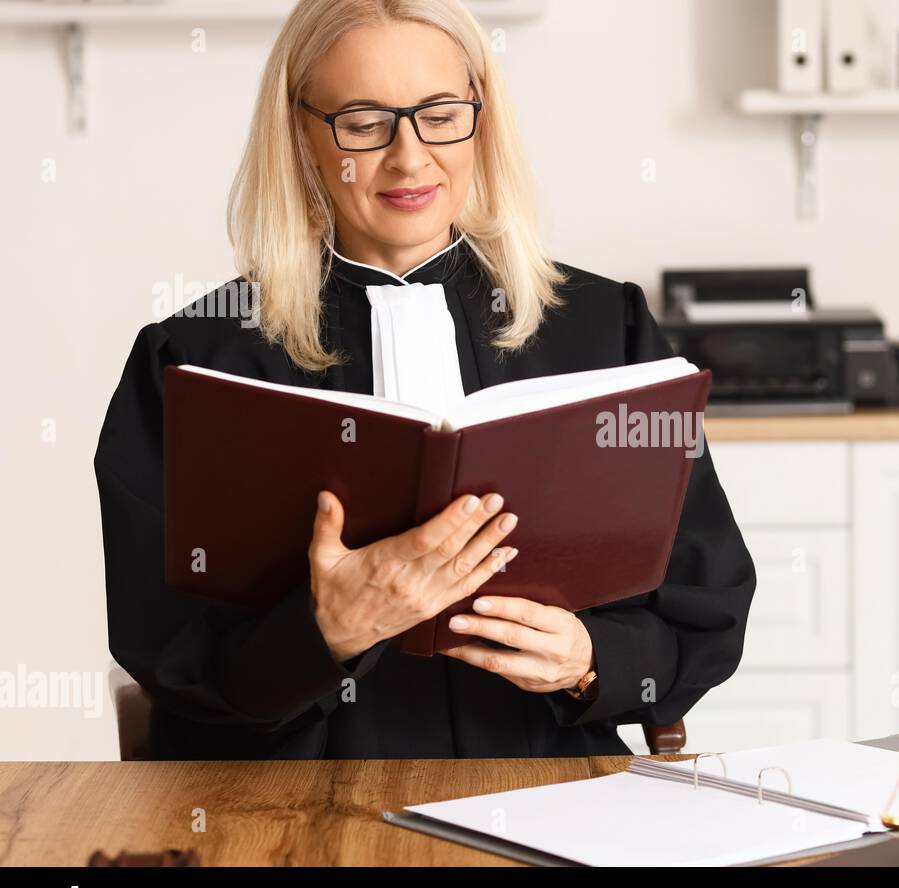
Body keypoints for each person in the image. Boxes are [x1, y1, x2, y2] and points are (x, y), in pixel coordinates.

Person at [93, 0, 755, 759]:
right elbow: (163, 650)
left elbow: (708, 603)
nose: (410, 158)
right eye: (366, 123)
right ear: (302, 136)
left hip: (547, 794)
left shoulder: (609, 328)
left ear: (482, 120)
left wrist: (589, 660)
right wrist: (325, 632)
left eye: (441, 114)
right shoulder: (192, 360)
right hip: (287, 810)